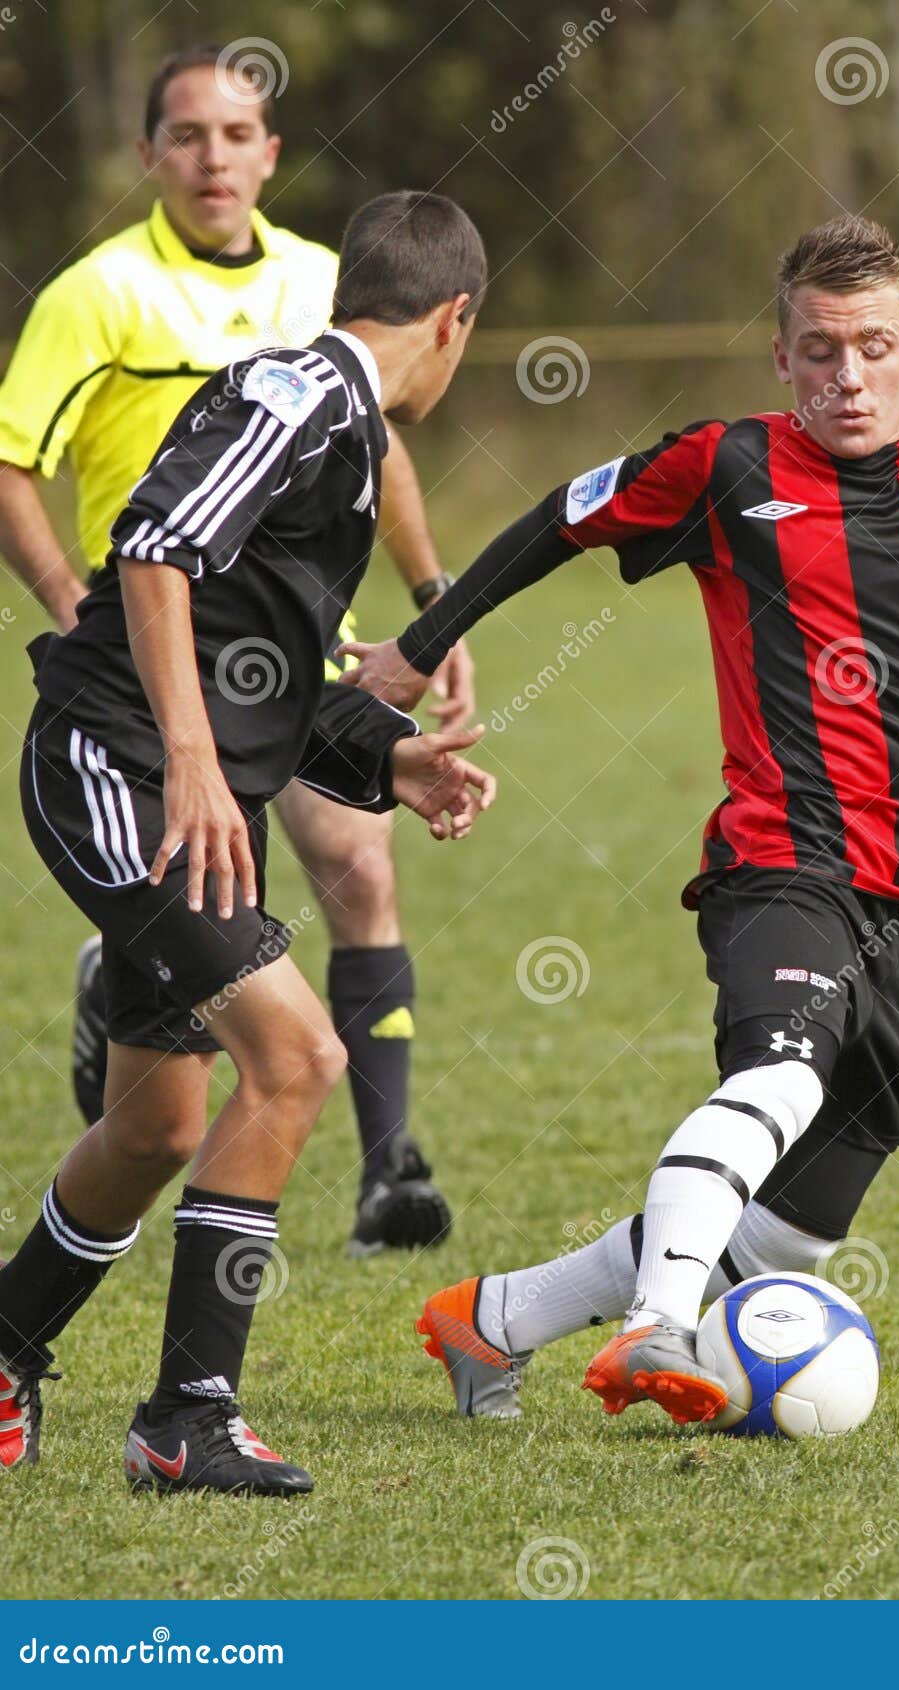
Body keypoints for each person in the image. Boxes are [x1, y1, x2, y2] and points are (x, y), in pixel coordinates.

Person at [341, 216, 899, 1425]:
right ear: (780, 358)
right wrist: (415, 648)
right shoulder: (725, 469)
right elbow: (563, 514)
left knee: (791, 1235)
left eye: (869, 347)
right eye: (817, 351)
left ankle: (491, 1322)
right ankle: (658, 1325)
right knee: (777, 1074)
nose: (845, 377)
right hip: (780, 865)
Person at [0, 191, 494, 1492]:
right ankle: (187, 1415)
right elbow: (153, 552)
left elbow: (263, 681)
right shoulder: (300, 397)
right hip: (116, 770)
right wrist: (201, 765)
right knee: (296, 1055)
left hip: (185, 790)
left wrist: (392, 761)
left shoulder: (336, 438)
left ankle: (5, 1346)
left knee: (160, 1125)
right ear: (453, 322)